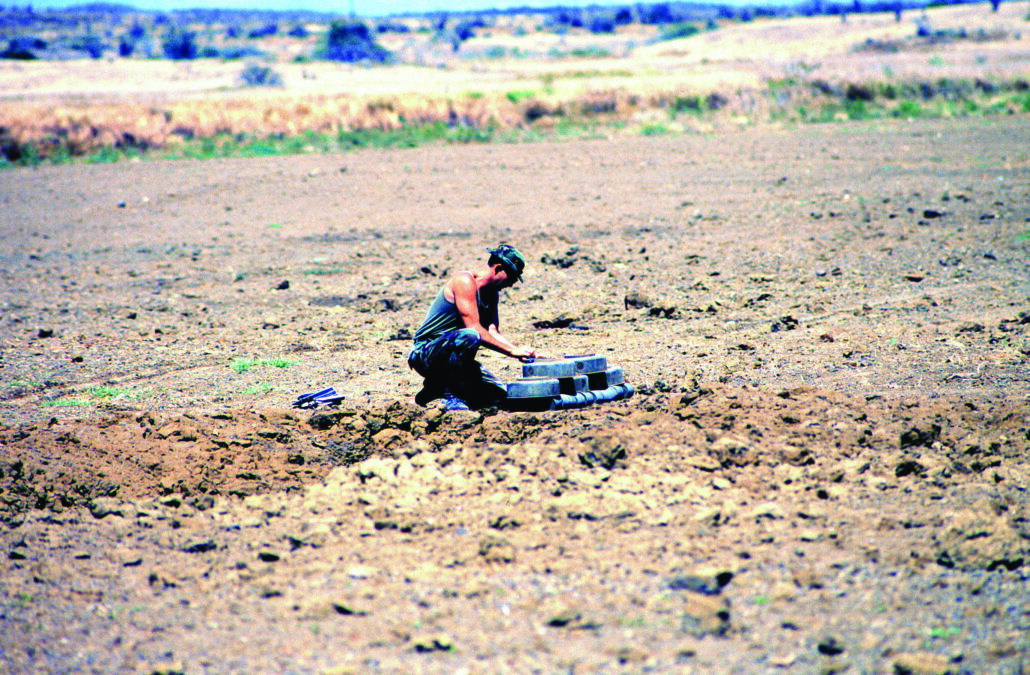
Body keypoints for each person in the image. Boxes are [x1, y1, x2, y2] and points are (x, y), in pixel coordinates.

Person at [407, 244, 537, 411]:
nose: (511, 284)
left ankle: (433, 389)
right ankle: (449, 394)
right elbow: (475, 329)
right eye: (511, 277)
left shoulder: (491, 295)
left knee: (499, 396)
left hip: (455, 360)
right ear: (498, 269)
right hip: (426, 354)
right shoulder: (465, 282)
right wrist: (511, 352)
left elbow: (492, 332)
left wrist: (520, 350)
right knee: (470, 336)